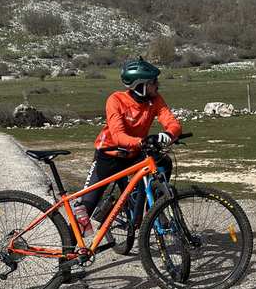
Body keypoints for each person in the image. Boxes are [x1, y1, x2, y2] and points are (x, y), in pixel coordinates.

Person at [75, 56, 182, 235]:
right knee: (88, 203)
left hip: (136, 153)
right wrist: (141, 141)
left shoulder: (154, 99)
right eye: (153, 81)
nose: (158, 84)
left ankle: (154, 208)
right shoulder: (116, 100)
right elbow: (117, 136)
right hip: (109, 154)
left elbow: (172, 122)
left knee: (164, 163)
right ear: (141, 85)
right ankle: (68, 249)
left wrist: (168, 135)